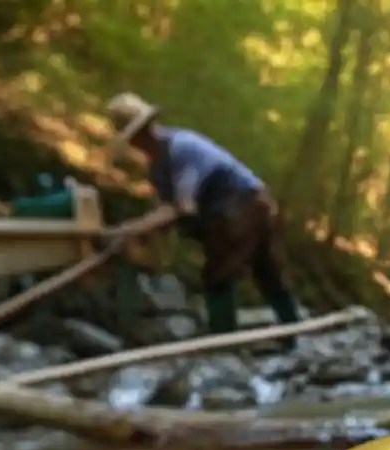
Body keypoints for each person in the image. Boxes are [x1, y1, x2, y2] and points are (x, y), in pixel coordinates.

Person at [105, 92, 301, 333]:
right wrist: (139, 232)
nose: (140, 140)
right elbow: (164, 211)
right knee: (266, 271)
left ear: (151, 125)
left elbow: (183, 207)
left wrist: (136, 228)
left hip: (243, 205)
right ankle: (293, 331)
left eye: (143, 131)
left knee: (222, 274)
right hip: (232, 211)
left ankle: (226, 341)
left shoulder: (183, 148)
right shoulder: (157, 169)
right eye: (135, 136)